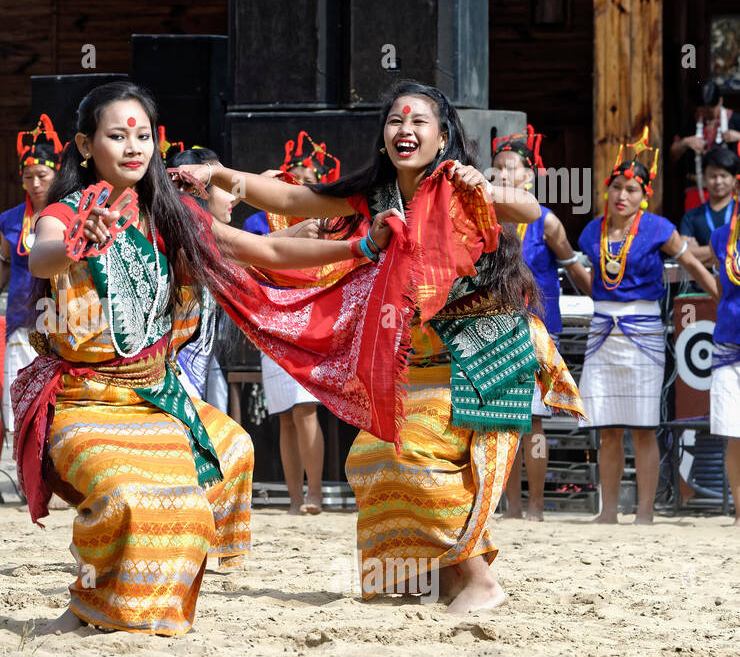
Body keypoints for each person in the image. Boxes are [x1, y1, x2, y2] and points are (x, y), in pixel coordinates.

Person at [182, 80, 585, 614]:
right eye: (396, 121)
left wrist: (483, 186)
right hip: (423, 358)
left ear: (442, 137)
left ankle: (480, 579)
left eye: (419, 122)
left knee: (412, 454)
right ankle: (446, 581)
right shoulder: (374, 195)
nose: (406, 130)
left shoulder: (460, 185)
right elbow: (287, 197)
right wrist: (219, 174)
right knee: (373, 454)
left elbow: (530, 209)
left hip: (486, 352)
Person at [16, 81, 401, 636]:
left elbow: (266, 250)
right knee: (131, 496)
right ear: (84, 144)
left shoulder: (171, 216)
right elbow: (41, 258)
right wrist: (79, 240)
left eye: (143, 135)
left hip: (156, 397)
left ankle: (123, 609)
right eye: (116, 135)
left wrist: (358, 249)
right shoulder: (65, 213)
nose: (133, 147)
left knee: (229, 454)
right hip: (86, 400)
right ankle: (90, 607)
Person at [576, 127, 720, 524]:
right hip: (602, 330)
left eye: (632, 190)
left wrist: (721, 299)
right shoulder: (592, 232)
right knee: (606, 428)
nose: (623, 196)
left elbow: (691, 263)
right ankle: (607, 512)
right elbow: (590, 280)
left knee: (642, 427)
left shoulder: (658, 228)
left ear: (645, 196)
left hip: (642, 332)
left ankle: (644, 512)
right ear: (607, 189)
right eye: (617, 187)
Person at [490, 127, 593, 520]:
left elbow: (572, 266)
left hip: (535, 330)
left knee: (532, 420)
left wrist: (600, 295)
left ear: (527, 176)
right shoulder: (484, 218)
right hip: (495, 327)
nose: (500, 174)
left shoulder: (546, 222)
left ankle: (535, 506)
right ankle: (510, 507)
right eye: (495, 167)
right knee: (502, 421)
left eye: (509, 167)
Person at [240, 132, 344, 514]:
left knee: (305, 409)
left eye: (306, 175)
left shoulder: (329, 217)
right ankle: (295, 498)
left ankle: (314, 495)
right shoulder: (257, 219)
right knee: (284, 414)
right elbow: (250, 265)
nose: (298, 180)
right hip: (271, 318)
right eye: (292, 175)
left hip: (311, 319)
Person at [0, 114, 61, 432]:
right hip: (20, 319)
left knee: (54, 404)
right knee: (19, 400)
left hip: (59, 321)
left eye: (42, 175)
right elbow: (4, 261)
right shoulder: (11, 220)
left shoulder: (66, 215)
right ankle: (21, 473)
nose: (35, 183)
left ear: (55, 174)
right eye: (28, 176)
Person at [168, 145, 233, 413]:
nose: (234, 196)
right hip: (174, 367)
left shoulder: (204, 231)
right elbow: (265, 250)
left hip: (198, 365)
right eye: (220, 183)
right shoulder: (186, 243)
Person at [709, 201, 740, 527]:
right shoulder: (721, 237)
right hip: (728, 342)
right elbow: (720, 287)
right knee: (734, 433)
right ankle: (739, 513)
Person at [669, 82, 739, 212]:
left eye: (711, 109)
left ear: (721, 101)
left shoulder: (735, 120)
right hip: (697, 188)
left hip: (729, 189)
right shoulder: (692, 122)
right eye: (703, 109)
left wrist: (738, 136)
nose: (707, 113)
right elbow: (673, 154)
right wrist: (685, 142)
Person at [677, 145, 739, 272]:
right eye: (712, 176)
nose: (718, 181)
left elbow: (691, 254)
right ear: (704, 179)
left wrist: (700, 253)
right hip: (700, 287)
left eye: (723, 175)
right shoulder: (691, 216)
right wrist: (730, 250)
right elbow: (682, 254)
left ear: (734, 180)